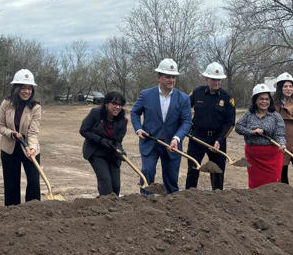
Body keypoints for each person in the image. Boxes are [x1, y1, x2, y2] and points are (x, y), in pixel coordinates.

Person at [130, 58, 192, 193]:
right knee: (147, 173)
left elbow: (187, 122)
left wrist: (177, 138)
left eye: (173, 77)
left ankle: (172, 207)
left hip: (172, 144)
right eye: (167, 77)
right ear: (159, 77)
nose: (171, 80)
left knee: (171, 178)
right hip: (150, 141)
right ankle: (144, 204)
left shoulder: (183, 98)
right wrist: (138, 128)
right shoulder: (146, 95)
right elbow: (134, 112)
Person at [185, 62, 236, 190]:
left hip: (217, 140)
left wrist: (219, 140)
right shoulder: (197, 93)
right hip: (197, 138)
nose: (217, 83)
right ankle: (189, 197)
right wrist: (185, 127)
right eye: (214, 79)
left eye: (219, 80)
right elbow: (183, 109)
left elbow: (230, 123)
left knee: (217, 172)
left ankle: (217, 198)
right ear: (207, 78)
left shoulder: (228, 98)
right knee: (193, 169)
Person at [0, 69, 42, 206]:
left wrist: (32, 148)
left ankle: (33, 209)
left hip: (28, 148)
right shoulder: (6, 103)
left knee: (34, 181)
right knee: (11, 184)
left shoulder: (35, 107)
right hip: (9, 148)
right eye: (23, 88)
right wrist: (11, 133)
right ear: (16, 88)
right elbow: (0, 126)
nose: (26, 91)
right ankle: (12, 212)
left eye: (29, 88)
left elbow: (33, 132)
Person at [235, 83, 286, 189]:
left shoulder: (276, 116)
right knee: (255, 184)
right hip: (253, 156)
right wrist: (251, 132)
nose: (264, 102)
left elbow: (280, 133)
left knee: (272, 185)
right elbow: (238, 127)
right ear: (255, 100)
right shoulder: (249, 114)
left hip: (272, 156)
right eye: (261, 99)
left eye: (267, 99)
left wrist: (282, 144)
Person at [80, 91, 128, 196]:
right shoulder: (95, 113)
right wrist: (100, 140)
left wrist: (121, 152)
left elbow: (118, 141)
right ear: (107, 103)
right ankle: (104, 208)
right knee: (106, 184)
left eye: (120, 105)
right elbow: (84, 130)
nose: (117, 107)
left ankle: (113, 208)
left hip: (112, 154)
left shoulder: (123, 121)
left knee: (116, 187)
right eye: (114, 104)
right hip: (96, 151)